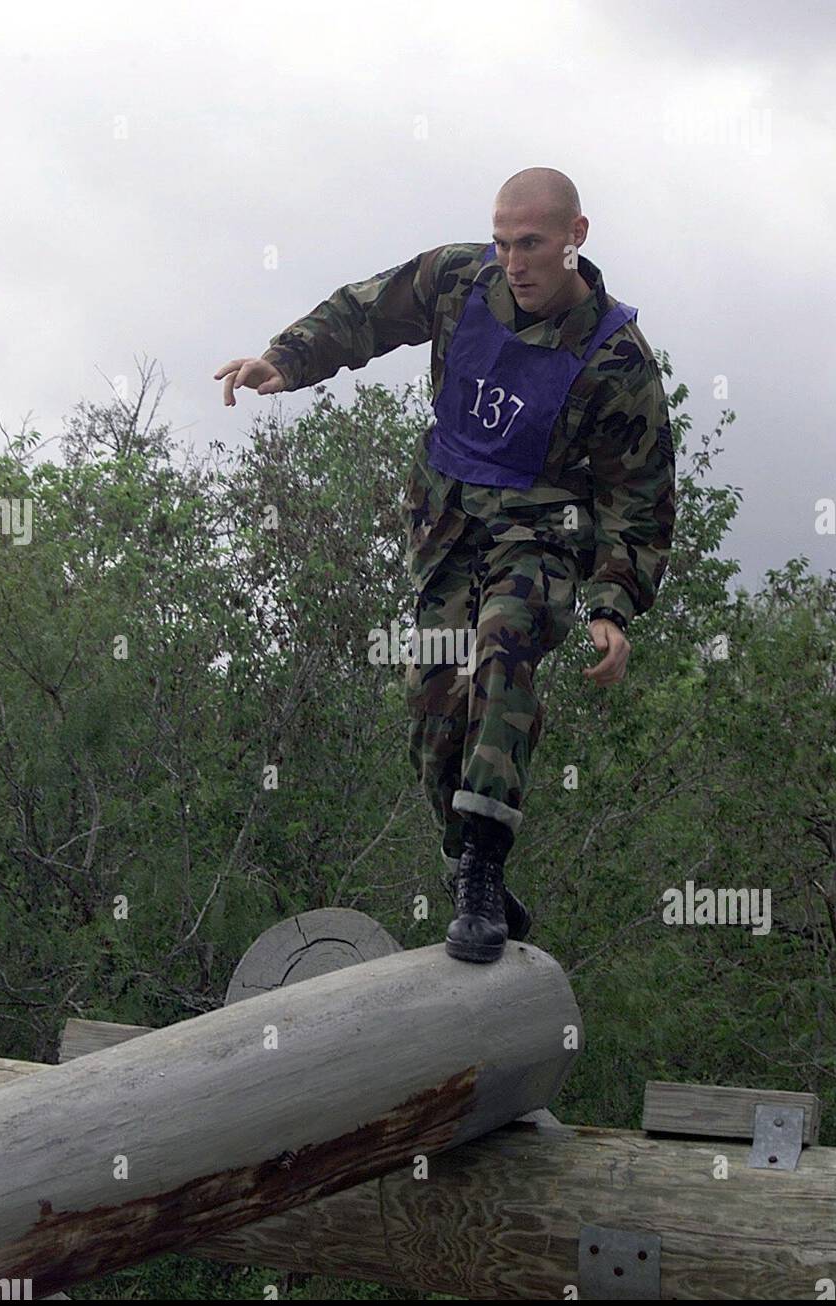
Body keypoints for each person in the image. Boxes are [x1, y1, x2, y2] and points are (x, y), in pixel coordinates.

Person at [215, 166, 676, 965]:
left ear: (576, 237)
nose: (514, 263)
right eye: (503, 243)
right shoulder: (461, 279)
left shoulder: (617, 358)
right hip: (447, 529)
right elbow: (368, 311)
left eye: (531, 244)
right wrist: (287, 359)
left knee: (504, 647)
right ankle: (468, 863)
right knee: (433, 703)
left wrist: (612, 603)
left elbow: (639, 498)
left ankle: (484, 866)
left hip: (540, 534)